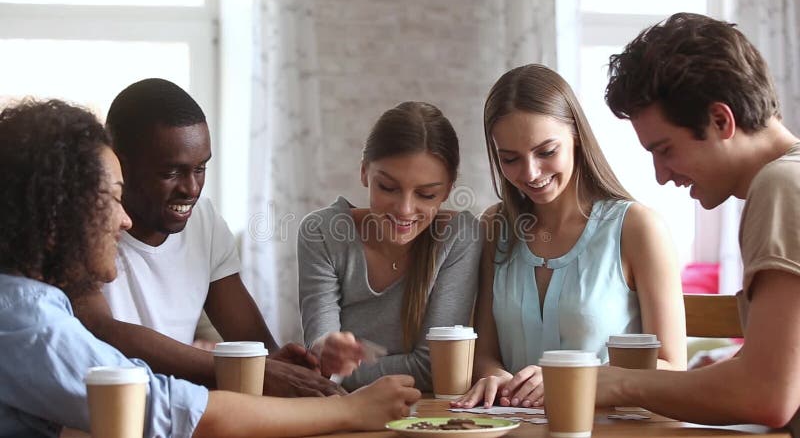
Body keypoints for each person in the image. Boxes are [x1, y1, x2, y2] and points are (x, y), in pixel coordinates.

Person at [0, 99, 419, 438]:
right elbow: (176, 411)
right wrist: (352, 411)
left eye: (201, 169)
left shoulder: (33, 306)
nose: (123, 219)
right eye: (112, 197)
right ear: (56, 214)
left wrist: (279, 366)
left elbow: (246, 355)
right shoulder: (29, 322)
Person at [596, 12, 800, 433]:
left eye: (665, 149)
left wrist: (620, 384)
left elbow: (767, 395)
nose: (661, 175)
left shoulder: (781, 187)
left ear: (721, 121)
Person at [71, 78, 340, 397]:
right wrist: (243, 369)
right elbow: (102, 330)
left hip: (180, 407)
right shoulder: (80, 229)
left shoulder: (205, 222)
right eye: (171, 173)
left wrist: (288, 366)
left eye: (200, 169)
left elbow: (255, 345)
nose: (192, 188)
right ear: (120, 164)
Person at [453, 64, 687, 409]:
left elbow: (672, 367)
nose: (530, 173)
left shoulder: (638, 228)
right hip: (518, 429)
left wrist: (571, 378)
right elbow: (486, 355)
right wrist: (495, 376)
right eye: (510, 158)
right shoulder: (494, 227)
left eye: (546, 152)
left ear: (577, 136)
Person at [297, 101, 481, 391]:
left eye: (426, 194)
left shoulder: (458, 236)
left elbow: (437, 366)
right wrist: (325, 353)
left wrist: (339, 374)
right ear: (364, 173)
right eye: (388, 187)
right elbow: (320, 358)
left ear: (447, 190)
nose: (405, 209)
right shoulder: (321, 232)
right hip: (343, 412)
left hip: (426, 415)